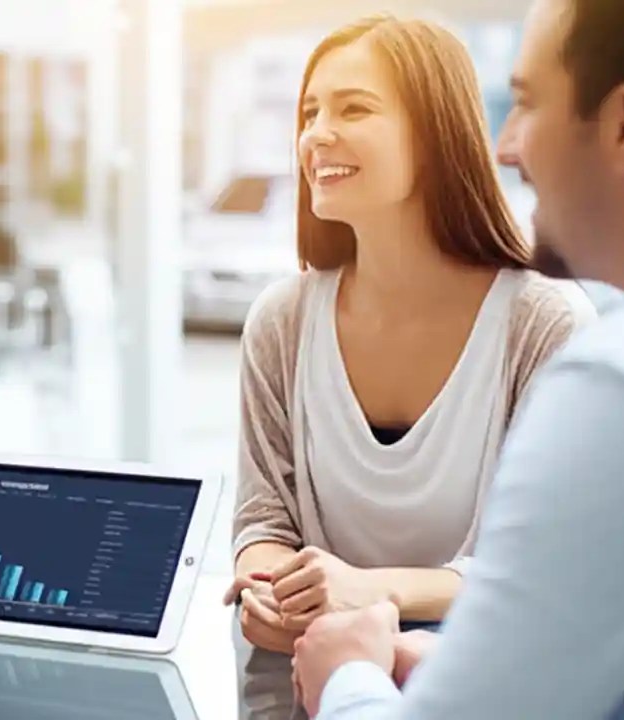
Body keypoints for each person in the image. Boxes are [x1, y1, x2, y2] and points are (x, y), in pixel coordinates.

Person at [291, 0, 624, 716]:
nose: (505, 146)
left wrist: (346, 674)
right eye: (310, 112)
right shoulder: (287, 318)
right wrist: (463, 662)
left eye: (525, 103)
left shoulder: (623, 388)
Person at [221, 14, 595, 717]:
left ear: (436, 132)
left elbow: (540, 571)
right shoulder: (282, 320)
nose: (316, 134)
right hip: (303, 688)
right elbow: (263, 514)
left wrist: (374, 591)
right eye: (310, 112)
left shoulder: (543, 324)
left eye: (353, 108)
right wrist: (267, 587)